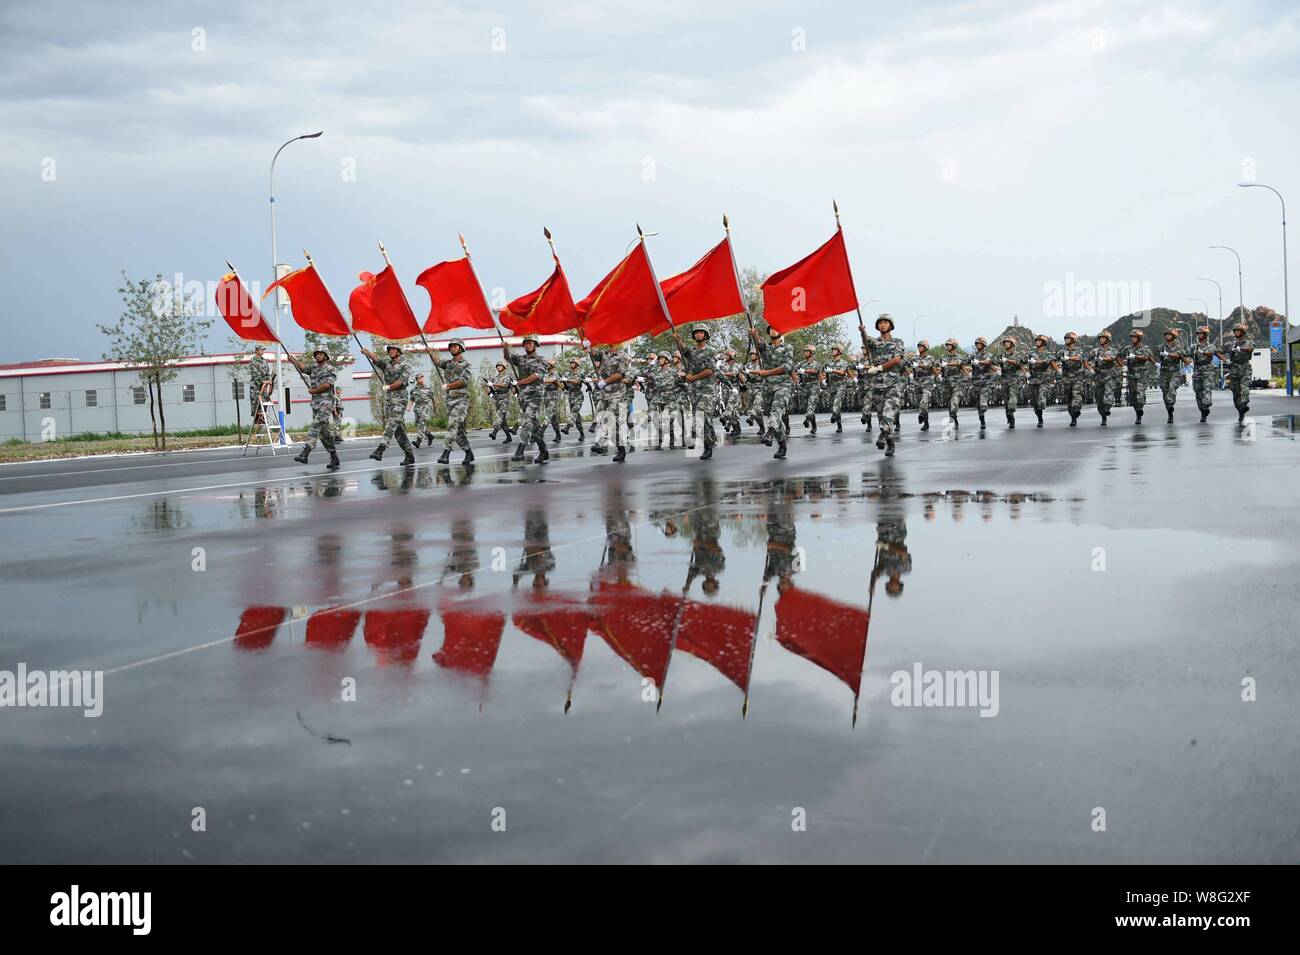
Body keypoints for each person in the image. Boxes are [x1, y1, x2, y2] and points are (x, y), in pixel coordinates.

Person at [859, 313, 907, 456]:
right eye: (880, 323)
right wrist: (863, 331)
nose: (883, 325)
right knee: (881, 415)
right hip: (878, 384)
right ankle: (890, 442)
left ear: (891, 326)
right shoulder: (875, 342)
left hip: (893, 383)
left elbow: (897, 359)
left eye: (885, 322)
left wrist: (880, 368)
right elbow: (867, 341)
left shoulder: (898, 342)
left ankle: (882, 436)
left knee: (888, 411)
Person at [361, 342, 416, 464]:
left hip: (400, 399)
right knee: (398, 431)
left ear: (398, 351)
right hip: (390, 400)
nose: (391, 351)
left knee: (391, 424)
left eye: (393, 349)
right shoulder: (387, 364)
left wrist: (389, 387)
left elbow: (402, 381)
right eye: (389, 349)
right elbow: (377, 360)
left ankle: (380, 449)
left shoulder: (405, 365)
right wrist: (367, 352)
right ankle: (409, 456)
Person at [671, 323, 719, 459]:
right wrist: (678, 339)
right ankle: (709, 439)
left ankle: (708, 447)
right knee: (701, 418)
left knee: (701, 414)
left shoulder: (711, 351)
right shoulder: (691, 351)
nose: (698, 334)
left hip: (707, 389)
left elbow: (710, 370)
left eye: (701, 332)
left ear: (706, 335)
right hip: (694, 390)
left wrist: (692, 377)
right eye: (696, 332)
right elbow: (684, 350)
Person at [748, 323, 795, 459]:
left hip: (783, 384)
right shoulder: (766, 349)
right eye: (771, 329)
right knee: (771, 415)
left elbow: (787, 366)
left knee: (776, 410)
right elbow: (759, 344)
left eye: (776, 328)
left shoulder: (787, 347)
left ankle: (769, 432)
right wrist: (754, 334)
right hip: (768, 386)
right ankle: (782, 442)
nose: (774, 331)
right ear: (769, 333)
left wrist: (766, 372)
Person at [502, 333, 550, 464]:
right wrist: (505, 347)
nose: (528, 345)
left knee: (527, 421)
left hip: (535, 395)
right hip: (523, 396)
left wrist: (520, 382)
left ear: (535, 345)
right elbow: (508, 358)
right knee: (533, 426)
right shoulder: (520, 359)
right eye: (526, 344)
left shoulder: (542, 360)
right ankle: (543, 450)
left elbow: (536, 376)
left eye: (530, 343)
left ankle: (520, 450)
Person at [290, 348, 340, 470]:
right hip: (316, 403)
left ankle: (305, 452)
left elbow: (328, 385)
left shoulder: (331, 369)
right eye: (317, 354)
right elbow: (302, 368)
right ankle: (334, 456)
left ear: (326, 356)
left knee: (316, 424)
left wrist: (314, 391)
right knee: (323, 433)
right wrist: (294, 360)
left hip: (326, 402)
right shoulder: (314, 368)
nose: (318, 356)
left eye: (321, 354)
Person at [431, 338, 475, 465]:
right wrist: (431, 352)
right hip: (450, 400)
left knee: (452, 425)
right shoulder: (449, 363)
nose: (452, 348)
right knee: (459, 431)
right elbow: (438, 363)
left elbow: (464, 381)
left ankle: (446, 453)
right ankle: (468, 453)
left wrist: (449, 386)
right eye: (451, 347)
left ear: (461, 348)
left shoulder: (466, 364)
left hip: (461, 400)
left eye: (455, 346)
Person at [590, 344, 631, 461]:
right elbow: (592, 353)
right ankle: (621, 449)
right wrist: (586, 342)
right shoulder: (604, 353)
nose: (609, 343)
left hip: (617, 392)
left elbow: (619, 375)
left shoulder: (623, 356)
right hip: (605, 392)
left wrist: (604, 382)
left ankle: (601, 443)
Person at [1219, 321, 1254, 426]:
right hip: (1234, 368)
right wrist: (1225, 360)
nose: (1236, 332)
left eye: (1238, 330)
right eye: (1235, 330)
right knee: (1236, 393)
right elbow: (1218, 351)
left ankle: (1244, 404)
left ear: (1243, 332)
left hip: (1245, 367)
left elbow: (1251, 349)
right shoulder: (1229, 343)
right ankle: (1240, 411)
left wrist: (1240, 348)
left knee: (1245, 388)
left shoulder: (1249, 342)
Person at [1121, 329, 1155, 424]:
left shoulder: (1145, 348)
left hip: (1142, 375)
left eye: (1134, 337)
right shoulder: (1127, 348)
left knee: (1140, 394)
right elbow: (1119, 356)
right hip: (1131, 375)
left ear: (1139, 338)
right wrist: (1121, 365)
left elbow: (1146, 357)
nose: (1132, 339)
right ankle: (1137, 412)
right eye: (1131, 337)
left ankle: (1140, 410)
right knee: (1132, 396)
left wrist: (1135, 356)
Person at [1056, 332, 1088, 426]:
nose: (1066, 340)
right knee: (1069, 399)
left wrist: (1069, 358)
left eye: (1068, 338)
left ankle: (1077, 409)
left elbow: (1079, 358)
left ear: (1073, 340)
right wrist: (1058, 369)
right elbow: (1052, 359)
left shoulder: (1079, 350)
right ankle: (1073, 417)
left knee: (1076, 394)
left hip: (1078, 377)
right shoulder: (1061, 352)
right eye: (1065, 338)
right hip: (1066, 378)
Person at [1091, 330, 1121, 425]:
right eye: (1100, 338)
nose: (1101, 340)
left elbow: (1112, 358)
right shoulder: (1095, 351)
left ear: (1108, 339)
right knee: (1099, 398)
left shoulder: (1113, 350)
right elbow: (1085, 360)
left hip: (1109, 376)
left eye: (1103, 338)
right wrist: (1090, 369)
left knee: (1108, 394)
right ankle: (1103, 416)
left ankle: (1107, 408)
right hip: (1098, 376)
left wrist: (1103, 358)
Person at [1156, 327, 1187, 423]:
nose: (1167, 336)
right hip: (1164, 372)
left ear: (1173, 336)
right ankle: (1170, 412)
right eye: (1166, 334)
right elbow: (1155, 355)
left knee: (1171, 389)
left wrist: (1168, 354)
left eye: (1169, 334)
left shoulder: (1178, 346)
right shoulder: (1161, 346)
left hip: (1174, 372)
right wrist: (1156, 364)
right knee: (1165, 393)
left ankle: (1171, 403)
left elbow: (1179, 355)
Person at [1025, 335, 1055, 428]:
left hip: (1044, 379)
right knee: (1035, 402)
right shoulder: (1031, 353)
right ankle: (1040, 419)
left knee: (1041, 400)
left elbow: (1046, 361)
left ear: (1043, 343)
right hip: (1033, 379)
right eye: (1037, 340)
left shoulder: (1048, 354)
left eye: (1039, 341)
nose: (1037, 342)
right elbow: (1023, 362)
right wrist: (1026, 373)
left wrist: (1036, 362)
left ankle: (1042, 407)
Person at [909, 340, 939, 432]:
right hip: (917, 381)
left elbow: (928, 366)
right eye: (919, 346)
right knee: (920, 403)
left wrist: (918, 365)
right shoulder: (915, 358)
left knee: (924, 400)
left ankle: (921, 414)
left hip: (927, 381)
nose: (919, 348)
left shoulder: (930, 358)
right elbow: (910, 367)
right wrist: (910, 373)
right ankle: (926, 422)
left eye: (921, 346)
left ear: (926, 348)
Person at [997, 336, 1026, 428]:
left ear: (1012, 344)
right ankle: (1010, 418)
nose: (1006, 343)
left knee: (1012, 398)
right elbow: (992, 362)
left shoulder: (1017, 355)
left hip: (1014, 380)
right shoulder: (1001, 355)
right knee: (1006, 400)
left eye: (1008, 342)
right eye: (1005, 342)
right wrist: (996, 368)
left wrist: (1007, 360)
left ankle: (1011, 412)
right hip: (1004, 379)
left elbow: (1018, 362)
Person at [939, 338, 969, 429]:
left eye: (950, 345)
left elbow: (960, 365)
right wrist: (939, 373)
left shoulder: (960, 357)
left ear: (954, 346)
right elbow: (941, 368)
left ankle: (953, 415)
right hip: (947, 383)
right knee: (949, 402)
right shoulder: (943, 357)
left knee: (954, 400)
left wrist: (968, 375)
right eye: (947, 345)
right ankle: (953, 419)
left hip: (957, 383)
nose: (948, 346)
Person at [968, 337, 996, 430]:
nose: (978, 345)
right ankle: (982, 420)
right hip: (976, 381)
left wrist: (978, 362)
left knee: (983, 399)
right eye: (977, 344)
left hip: (986, 381)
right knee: (978, 404)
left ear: (984, 345)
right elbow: (963, 361)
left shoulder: (988, 354)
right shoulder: (972, 355)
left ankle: (984, 405)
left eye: (980, 343)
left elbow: (988, 361)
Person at [1190, 325, 1217, 422]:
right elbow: (1183, 353)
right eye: (1198, 333)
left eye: (1201, 333)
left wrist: (1202, 352)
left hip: (1207, 371)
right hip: (1197, 370)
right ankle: (1203, 411)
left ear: (1205, 335)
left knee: (1207, 390)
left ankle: (1206, 406)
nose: (1199, 335)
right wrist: (1188, 362)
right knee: (1198, 393)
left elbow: (1210, 353)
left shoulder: (1211, 346)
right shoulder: (1193, 346)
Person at [823, 344, 852, 432]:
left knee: (836, 403)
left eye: (835, 350)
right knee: (835, 406)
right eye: (833, 350)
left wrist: (832, 370)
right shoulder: (829, 362)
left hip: (840, 386)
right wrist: (824, 380)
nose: (833, 351)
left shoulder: (844, 362)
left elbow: (842, 372)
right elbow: (824, 371)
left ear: (839, 351)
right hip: (832, 387)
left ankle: (833, 415)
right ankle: (839, 425)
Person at [795, 345, 823, 434]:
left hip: (814, 386)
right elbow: (794, 368)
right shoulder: (801, 363)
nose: (805, 353)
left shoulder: (816, 363)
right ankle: (814, 425)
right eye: (805, 351)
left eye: (807, 351)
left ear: (811, 353)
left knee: (811, 404)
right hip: (804, 387)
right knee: (807, 407)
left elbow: (815, 371)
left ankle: (807, 419)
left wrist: (804, 371)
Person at [486, 360, 515, 443]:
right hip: (497, 398)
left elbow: (504, 385)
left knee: (499, 415)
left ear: (504, 367)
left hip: (505, 398)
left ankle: (494, 432)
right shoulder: (495, 377)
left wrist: (493, 385)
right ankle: (509, 437)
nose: (498, 367)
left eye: (500, 366)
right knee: (503, 421)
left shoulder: (507, 376)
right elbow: (486, 385)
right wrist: (490, 394)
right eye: (497, 366)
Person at [717, 349, 745, 436]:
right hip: (725, 388)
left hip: (734, 388)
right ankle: (736, 427)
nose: (726, 357)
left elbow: (734, 374)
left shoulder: (738, 366)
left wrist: (722, 374)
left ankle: (724, 417)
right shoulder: (722, 366)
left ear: (731, 356)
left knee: (730, 405)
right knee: (731, 410)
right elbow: (718, 377)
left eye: (727, 355)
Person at [408, 373, 436, 448]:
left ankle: (418, 440)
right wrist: (409, 407)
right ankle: (430, 436)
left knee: (422, 424)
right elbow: (411, 399)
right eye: (420, 378)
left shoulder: (428, 388)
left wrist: (435, 407)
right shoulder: (413, 390)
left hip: (425, 408)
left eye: (422, 378)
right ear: (417, 380)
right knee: (419, 424)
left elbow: (433, 398)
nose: (421, 380)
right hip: (417, 409)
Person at [249, 343, 274, 424]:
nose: (263, 351)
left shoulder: (264, 361)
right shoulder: (253, 361)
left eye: (263, 349)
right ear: (256, 350)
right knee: (256, 404)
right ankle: (257, 421)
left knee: (264, 403)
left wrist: (269, 380)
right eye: (261, 349)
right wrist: (262, 381)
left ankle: (262, 420)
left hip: (264, 387)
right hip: (256, 388)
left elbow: (268, 372)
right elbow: (254, 373)